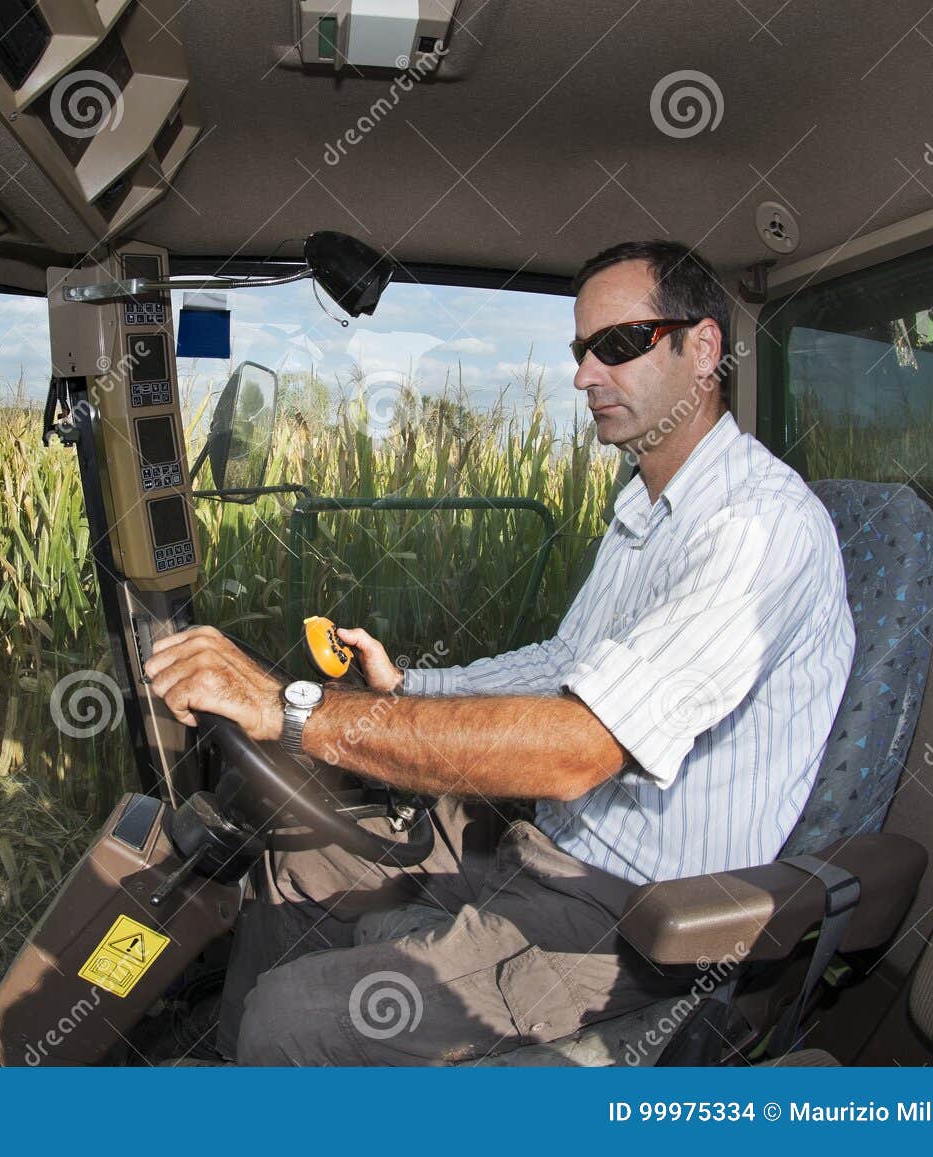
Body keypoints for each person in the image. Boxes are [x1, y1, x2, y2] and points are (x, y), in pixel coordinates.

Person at [143, 239, 856, 1065]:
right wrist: (410, 685)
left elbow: (578, 749)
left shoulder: (756, 526)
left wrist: (291, 710)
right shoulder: (646, 512)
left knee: (292, 1017)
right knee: (296, 857)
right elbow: (563, 661)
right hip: (537, 839)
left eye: (617, 344)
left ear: (702, 348)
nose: (587, 374)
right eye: (580, 350)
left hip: (629, 910)